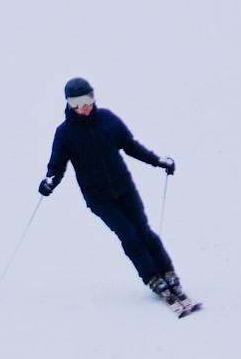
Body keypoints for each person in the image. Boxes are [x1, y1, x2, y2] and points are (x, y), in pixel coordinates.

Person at [38, 77, 193, 309]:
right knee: (129, 235)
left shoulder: (108, 120)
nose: (83, 106)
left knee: (144, 231)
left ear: (93, 97)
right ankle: (152, 277)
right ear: (69, 104)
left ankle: (168, 273)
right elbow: (57, 166)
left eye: (87, 99)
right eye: (76, 102)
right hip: (99, 198)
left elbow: (131, 146)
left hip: (124, 188)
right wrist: (50, 181)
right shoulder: (65, 134)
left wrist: (157, 161)